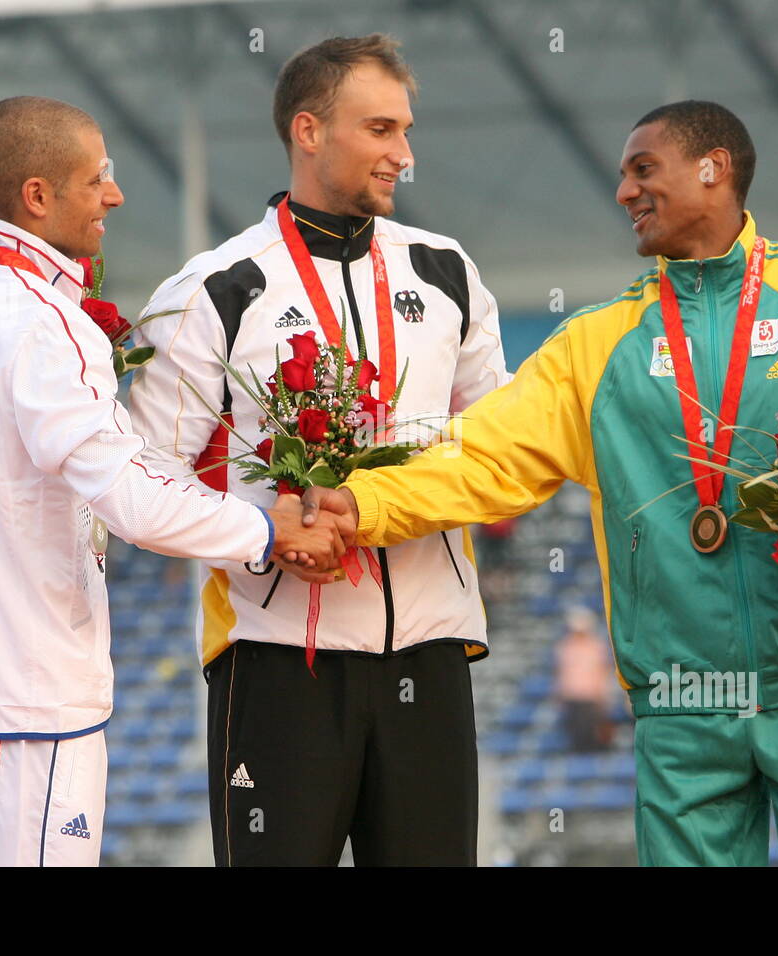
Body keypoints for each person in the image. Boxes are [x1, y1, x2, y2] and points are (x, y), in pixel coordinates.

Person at [304, 100, 778, 866]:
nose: (623, 191)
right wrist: (360, 504)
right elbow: (484, 456)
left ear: (712, 169)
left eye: (642, 169)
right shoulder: (595, 344)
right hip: (682, 700)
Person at [0, 96, 344, 867]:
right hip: (29, 693)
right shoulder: (48, 324)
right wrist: (264, 529)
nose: (114, 195)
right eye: (97, 178)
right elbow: (134, 498)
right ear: (38, 196)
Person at [126, 35, 508, 866]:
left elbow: (498, 454)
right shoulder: (215, 287)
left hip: (432, 654)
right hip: (276, 665)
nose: (403, 154)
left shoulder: (446, 272)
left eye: (405, 131)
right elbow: (140, 481)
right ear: (308, 130)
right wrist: (265, 532)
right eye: (380, 130)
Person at [556, 608, 616, 752]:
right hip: (573, 697)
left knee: (591, 733)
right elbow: (561, 674)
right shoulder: (566, 647)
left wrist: (604, 697)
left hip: (591, 698)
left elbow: (602, 674)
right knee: (577, 734)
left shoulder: (596, 647)